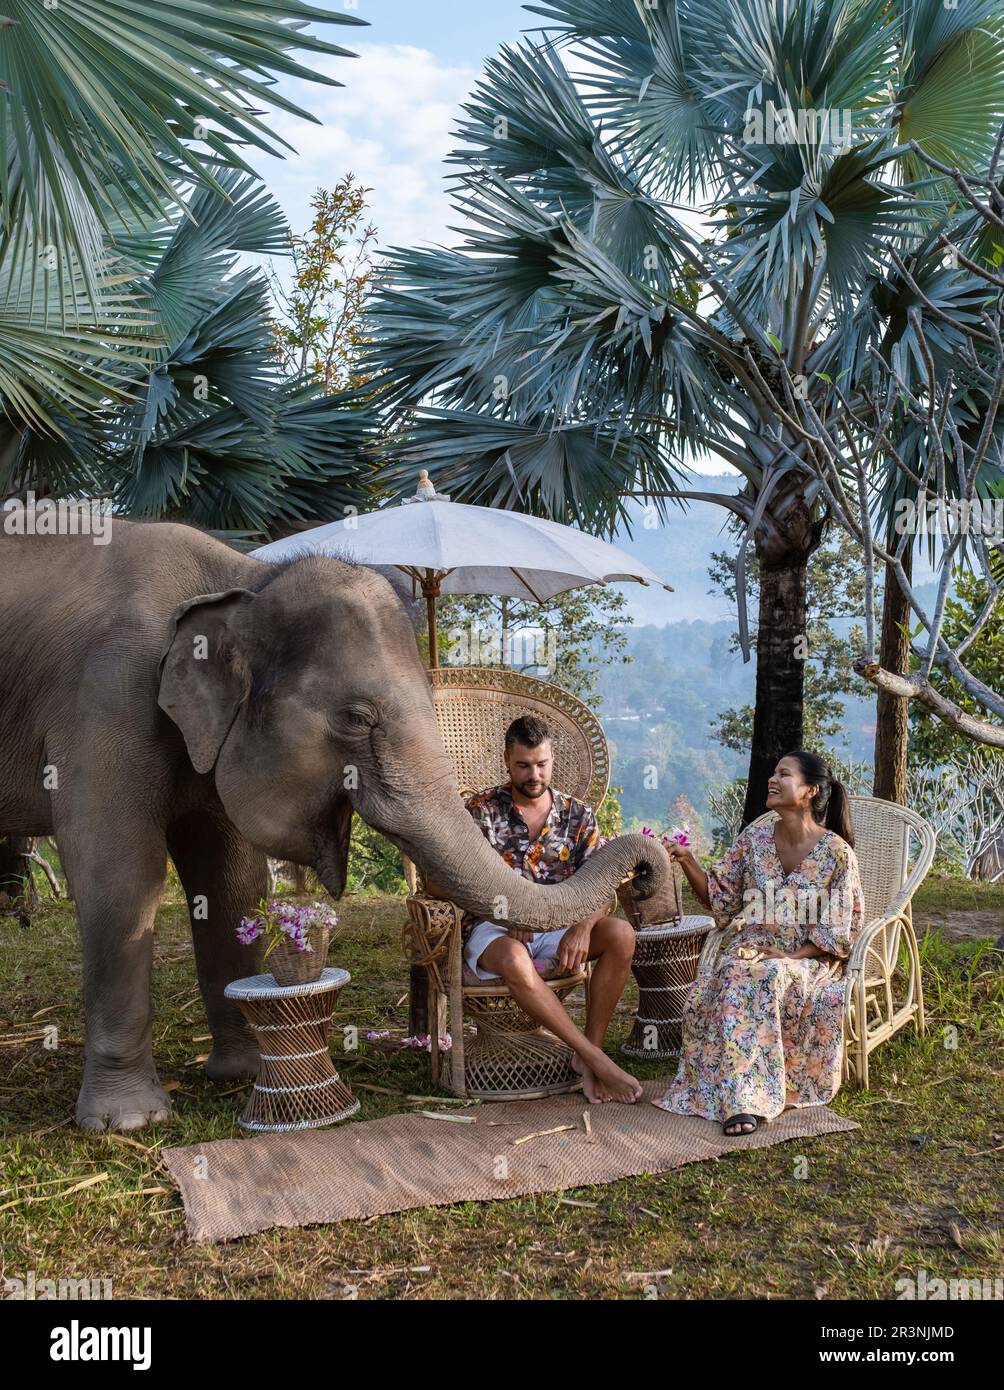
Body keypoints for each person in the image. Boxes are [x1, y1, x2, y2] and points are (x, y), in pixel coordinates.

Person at [428, 713, 642, 1104]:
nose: (534, 774)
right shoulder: (480, 811)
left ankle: (584, 1054)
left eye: (541, 764)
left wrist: (582, 926)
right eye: (523, 765)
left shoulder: (579, 816)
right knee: (513, 957)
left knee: (621, 934)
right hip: (495, 928)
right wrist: (505, 913)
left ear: (552, 760)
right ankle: (599, 1060)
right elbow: (437, 880)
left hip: (559, 925)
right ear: (507, 760)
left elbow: (602, 883)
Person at [653, 751, 864, 1136]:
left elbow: (838, 930)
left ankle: (743, 1100)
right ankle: (740, 1092)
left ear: (809, 791)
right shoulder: (754, 839)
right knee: (737, 972)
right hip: (749, 952)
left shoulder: (837, 854)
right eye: (773, 772)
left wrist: (789, 955)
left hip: (806, 959)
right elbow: (721, 900)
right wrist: (687, 860)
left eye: (784, 774)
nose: (772, 779)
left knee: (760, 975)